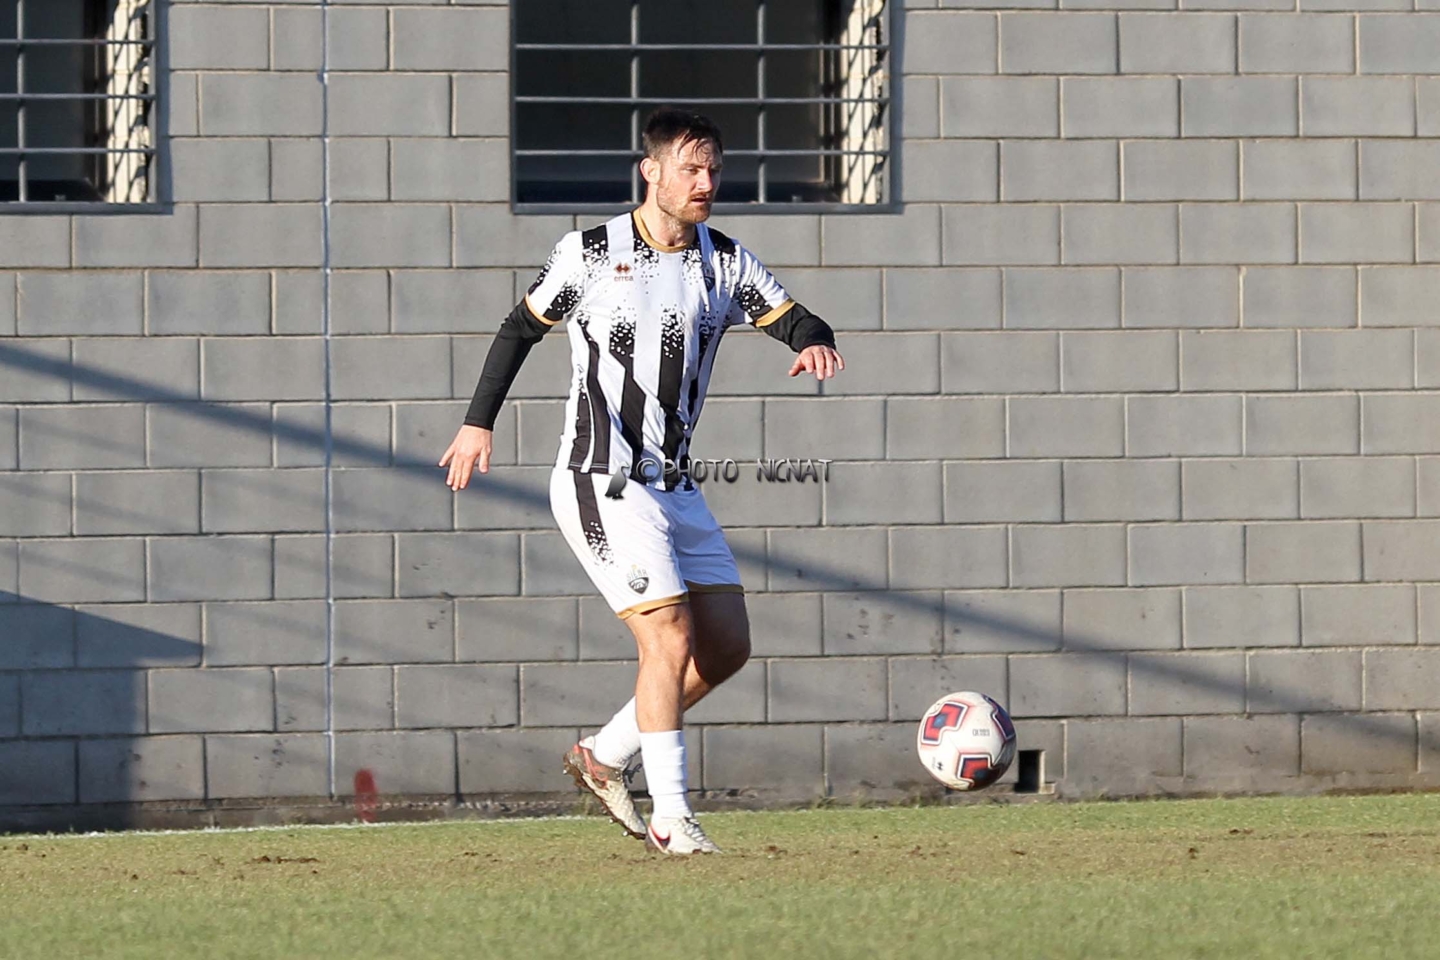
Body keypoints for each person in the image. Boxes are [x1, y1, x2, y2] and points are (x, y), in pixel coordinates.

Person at [439, 108, 845, 855]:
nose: (706, 182)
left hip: (676, 486)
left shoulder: (724, 261)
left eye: (714, 169)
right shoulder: (589, 253)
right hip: (600, 479)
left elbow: (794, 318)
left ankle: (603, 756)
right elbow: (519, 328)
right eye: (691, 168)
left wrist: (815, 341)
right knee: (668, 637)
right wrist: (477, 423)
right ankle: (672, 817)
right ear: (650, 172)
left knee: (725, 648)